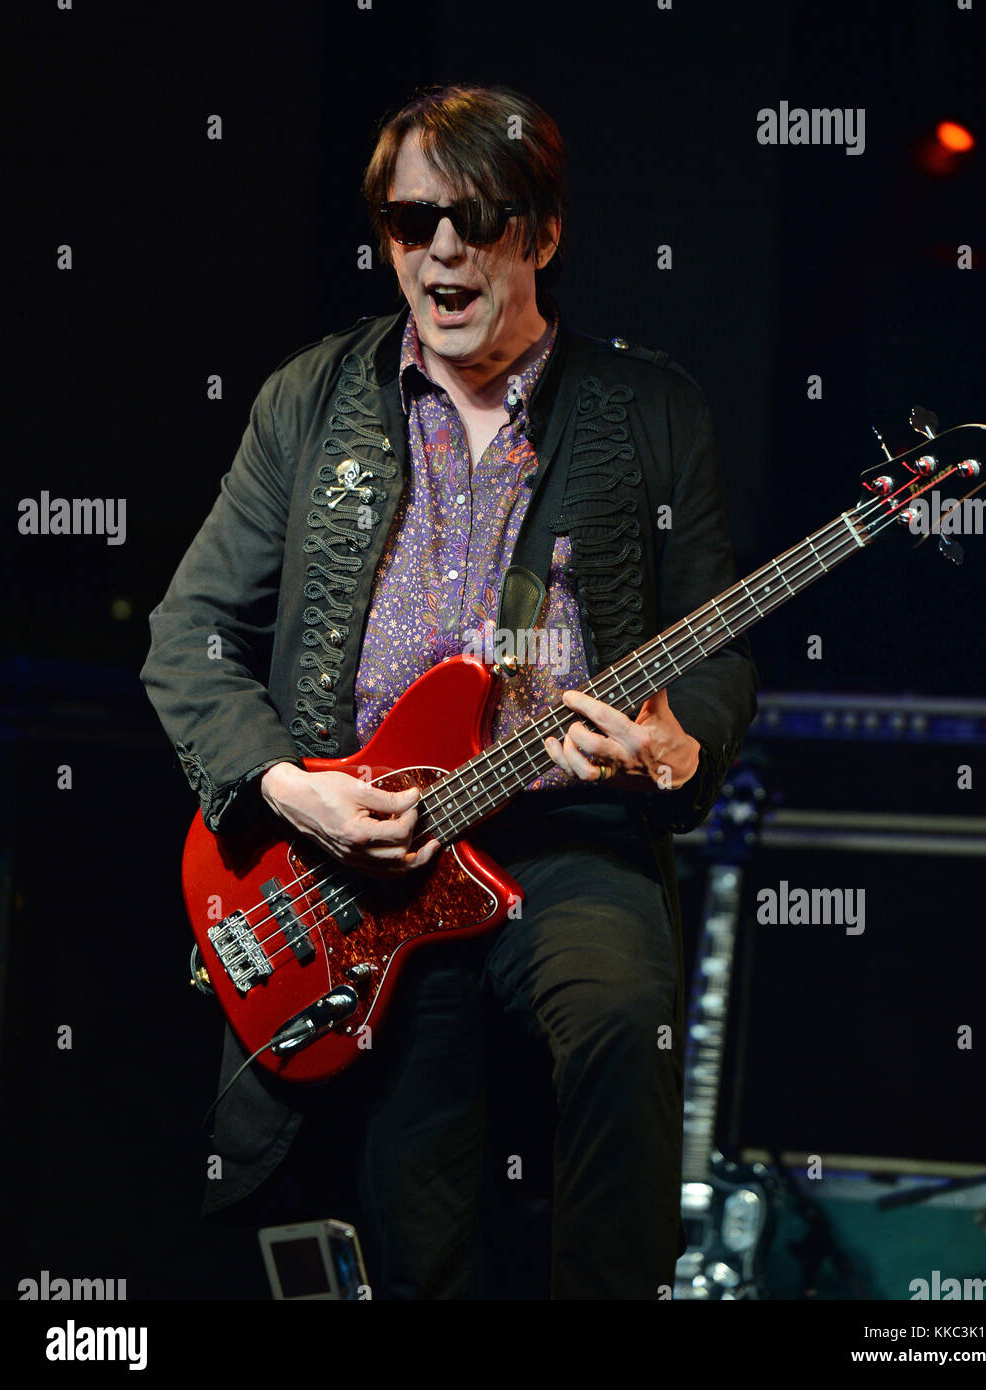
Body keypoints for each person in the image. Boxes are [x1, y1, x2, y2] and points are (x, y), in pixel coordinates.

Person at [140, 82, 758, 1300]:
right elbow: (190, 631)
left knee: (620, 1023)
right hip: (365, 865)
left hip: (565, 840)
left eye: (473, 218)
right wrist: (291, 788)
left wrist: (667, 745)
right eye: (407, 220)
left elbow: (716, 650)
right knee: (417, 1223)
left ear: (541, 230)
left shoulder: (648, 410)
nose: (438, 251)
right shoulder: (310, 400)